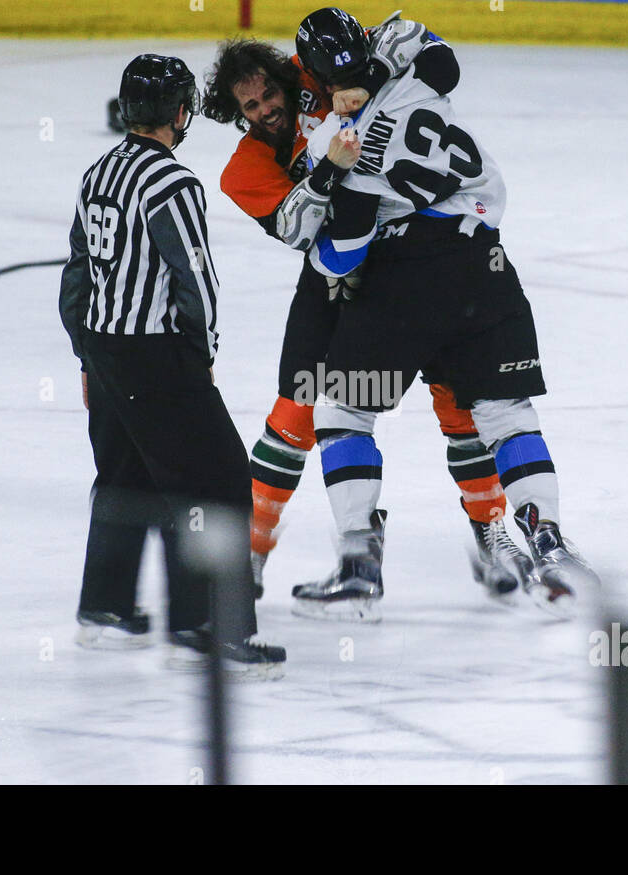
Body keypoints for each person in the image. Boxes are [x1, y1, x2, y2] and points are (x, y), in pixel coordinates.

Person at [201, 26, 530, 616]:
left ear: (287, 77)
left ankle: (492, 535)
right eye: (249, 107)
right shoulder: (243, 170)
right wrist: (329, 168)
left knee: (458, 402)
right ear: (236, 114)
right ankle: (251, 560)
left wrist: (367, 79)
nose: (265, 109)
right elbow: (301, 229)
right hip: (333, 273)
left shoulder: (321, 67)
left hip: (416, 254)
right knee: (296, 415)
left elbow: (419, 43)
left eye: (267, 95)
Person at [284, 7, 598, 622]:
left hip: (404, 279)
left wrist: (327, 203)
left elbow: (341, 254)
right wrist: (376, 67)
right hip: (484, 262)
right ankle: (551, 548)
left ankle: (358, 568)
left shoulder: (333, 141)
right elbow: (443, 58)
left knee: (345, 409)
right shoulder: (415, 78)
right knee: (505, 413)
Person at [58, 53, 285, 677]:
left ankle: (104, 610)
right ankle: (211, 628)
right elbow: (197, 279)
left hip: (105, 350)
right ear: (181, 112)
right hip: (157, 357)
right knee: (219, 482)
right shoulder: (173, 183)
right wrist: (202, 353)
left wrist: (85, 354)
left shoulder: (97, 172)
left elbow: (76, 272)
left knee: (126, 479)